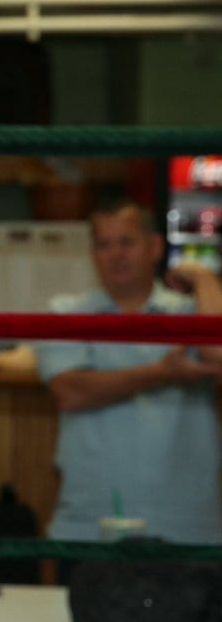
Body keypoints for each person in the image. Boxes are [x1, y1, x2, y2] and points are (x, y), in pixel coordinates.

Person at [35, 199, 222, 548]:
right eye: (103, 244)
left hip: (187, 526)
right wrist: (162, 373)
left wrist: (201, 276)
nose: (115, 253)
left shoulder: (189, 313)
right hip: (89, 523)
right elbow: (71, 392)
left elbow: (219, 352)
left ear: (154, 247)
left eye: (126, 241)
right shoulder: (65, 312)